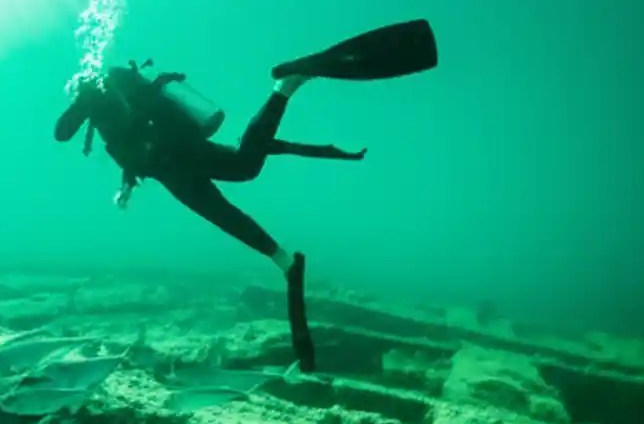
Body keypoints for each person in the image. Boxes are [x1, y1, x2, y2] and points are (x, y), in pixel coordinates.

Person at [55, 19, 439, 372]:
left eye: (76, 90)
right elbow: (128, 148)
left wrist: (83, 99)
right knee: (229, 202)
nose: (76, 97)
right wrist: (126, 187)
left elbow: (63, 131)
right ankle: (281, 257)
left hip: (176, 154)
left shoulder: (104, 94)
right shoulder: (107, 115)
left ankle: (284, 87)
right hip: (168, 168)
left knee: (239, 179)